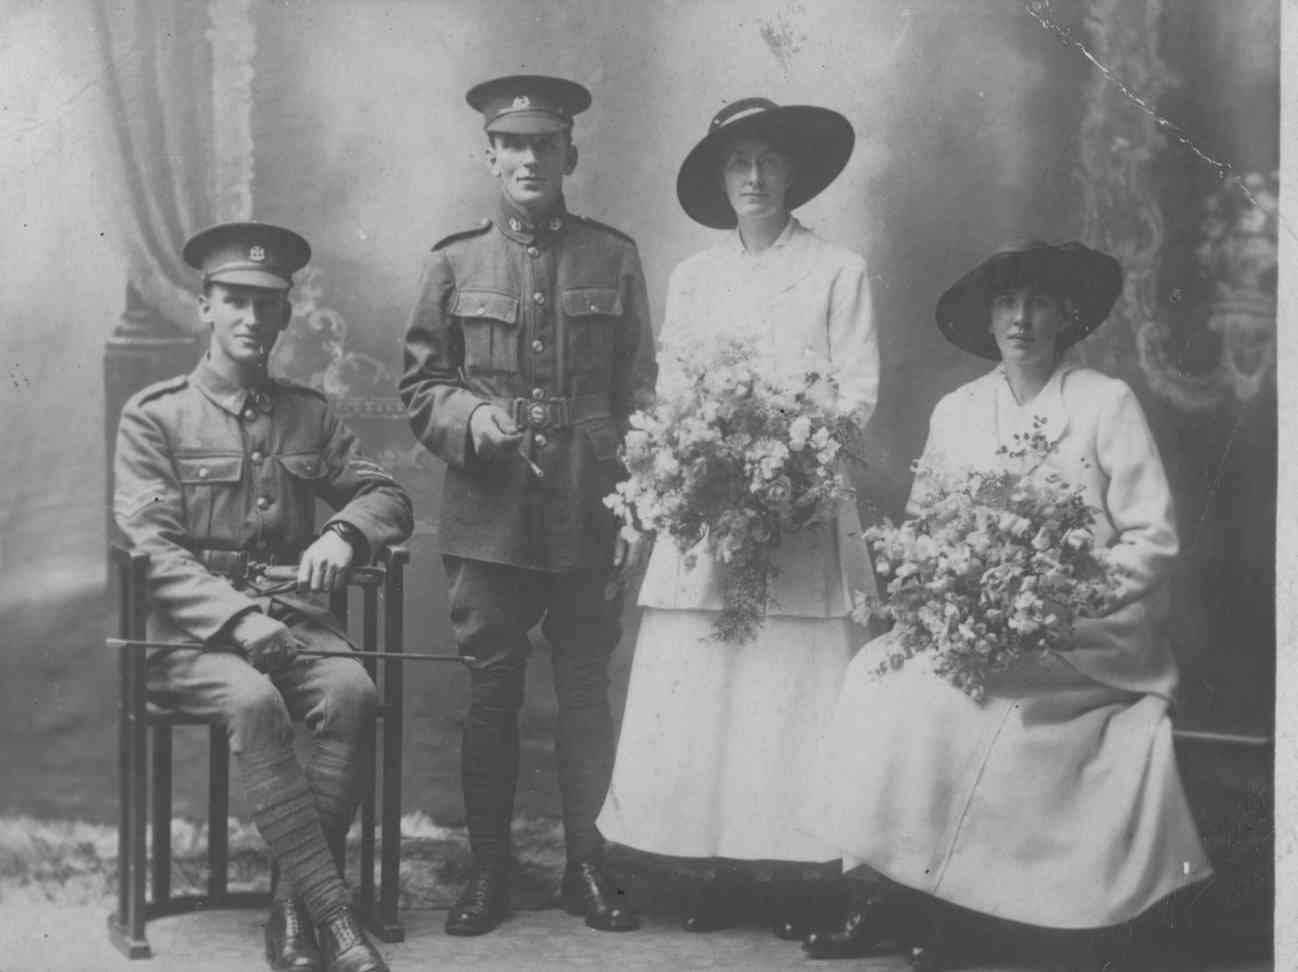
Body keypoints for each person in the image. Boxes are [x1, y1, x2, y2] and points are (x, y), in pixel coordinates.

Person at [798, 241, 1212, 971]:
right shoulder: (958, 411)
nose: (1021, 319)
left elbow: (1154, 537)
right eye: (1006, 303)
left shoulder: (1102, 402)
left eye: (1039, 302)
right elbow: (927, 532)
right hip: (980, 628)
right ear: (987, 319)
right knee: (881, 677)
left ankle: (988, 914)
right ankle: (896, 893)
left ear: (1065, 315)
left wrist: (1057, 598)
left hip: (1085, 634)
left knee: (967, 704)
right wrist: (949, 601)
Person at [594, 98, 880, 940]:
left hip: (798, 505)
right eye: (736, 163)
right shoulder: (695, 278)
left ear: (792, 171)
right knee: (709, 695)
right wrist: (689, 473)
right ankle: (708, 866)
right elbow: (676, 391)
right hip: (708, 515)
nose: (753, 178)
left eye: (767, 160)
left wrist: (790, 469)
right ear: (720, 180)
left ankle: (797, 878)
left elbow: (856, 392)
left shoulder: (838, 269)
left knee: (789, 694)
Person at [114, 222, 413, 972]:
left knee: (352, 692)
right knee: (254, 702)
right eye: (235, 301)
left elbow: (385, 493)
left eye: (266, 305)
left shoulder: (309, 414)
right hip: (188, 636)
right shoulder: (155, 416)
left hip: (295, 621)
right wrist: (238, 620)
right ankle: (336, 919)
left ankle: (290, 910)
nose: (251, 319)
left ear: (284, 315)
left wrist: (343, 535)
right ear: (204, 307)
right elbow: (149, 545)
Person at [399, 75, 656, 937]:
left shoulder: (613, 257)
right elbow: (422, 383)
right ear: (490, 155)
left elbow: (642, 391)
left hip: (589, 502)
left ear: (569, 155)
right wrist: (474, 416)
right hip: (489, 515)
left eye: (545, 145)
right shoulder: (453, 261)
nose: (528, 160)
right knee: (490, 695)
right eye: (512, 145)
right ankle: (488, 873)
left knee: (586, 689)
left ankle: (589, 867)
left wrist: (637, 505)